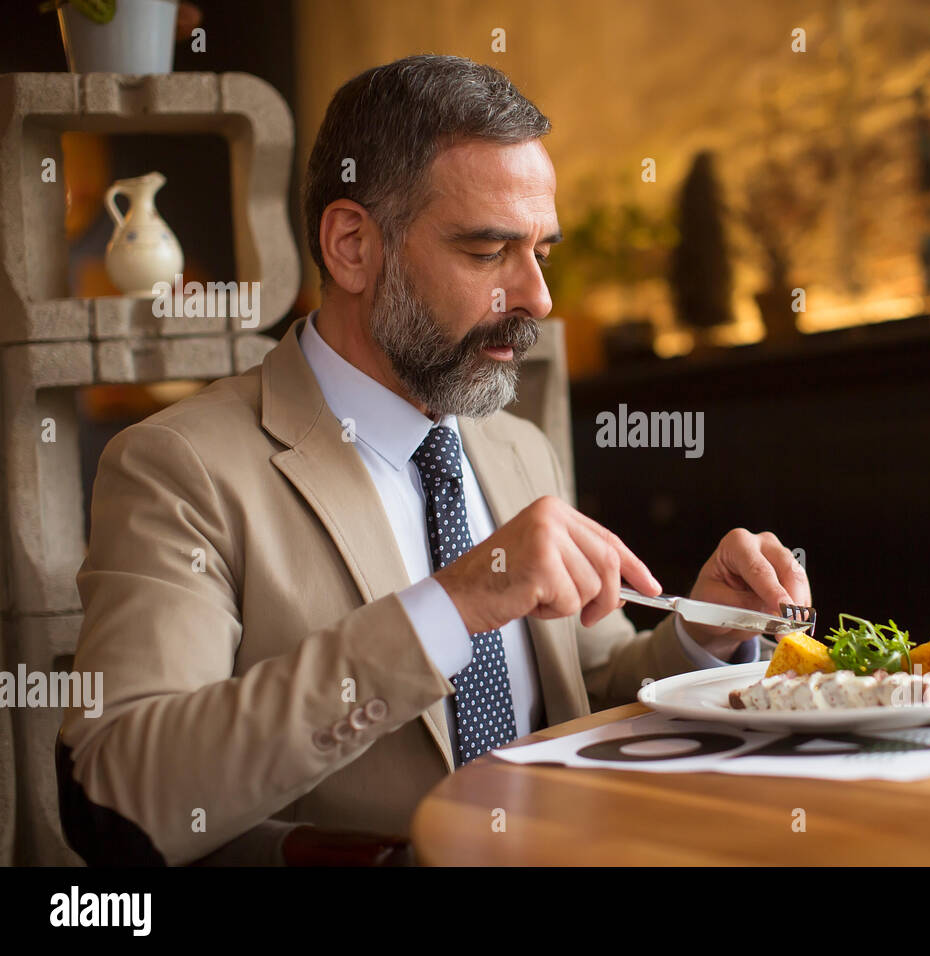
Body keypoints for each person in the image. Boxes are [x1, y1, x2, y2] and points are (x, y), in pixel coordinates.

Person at [56, 54, 810, 866]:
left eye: (541, 253)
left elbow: (587, 690)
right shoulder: (178, 465)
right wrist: (455, 603)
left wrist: (703, 635)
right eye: (489, 253)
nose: (537, 298)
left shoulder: (516, 445)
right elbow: (124, 787)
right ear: (351, 246)